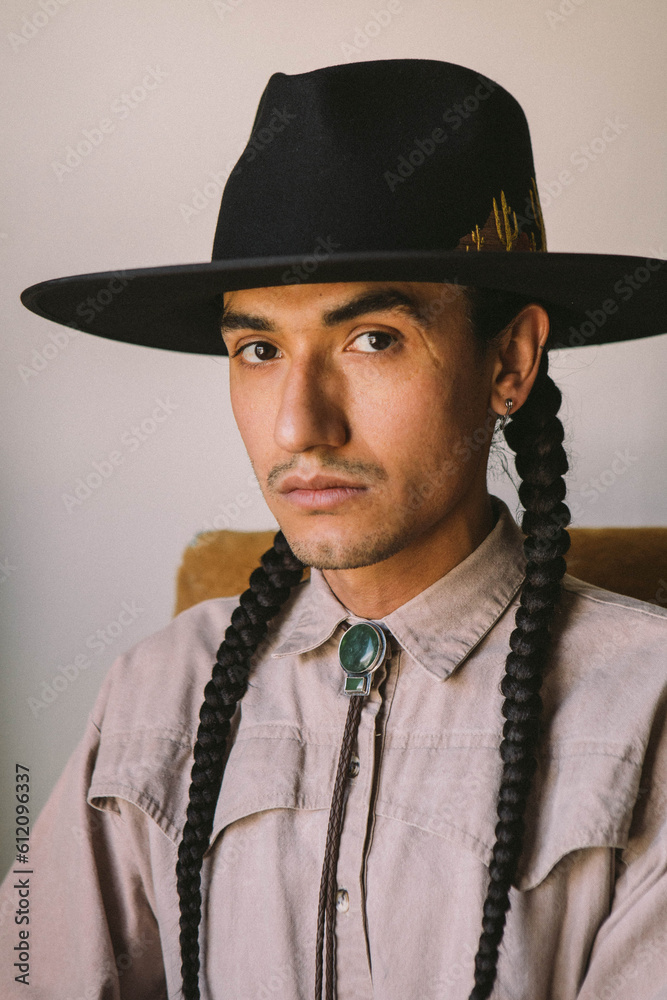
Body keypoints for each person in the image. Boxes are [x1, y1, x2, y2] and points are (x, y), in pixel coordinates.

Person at [5, 58, 667, 1000]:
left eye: (372, 340)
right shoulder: (159, 688)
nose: (298, 426)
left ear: (510, 362)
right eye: (259, 350)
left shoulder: (645, 703)